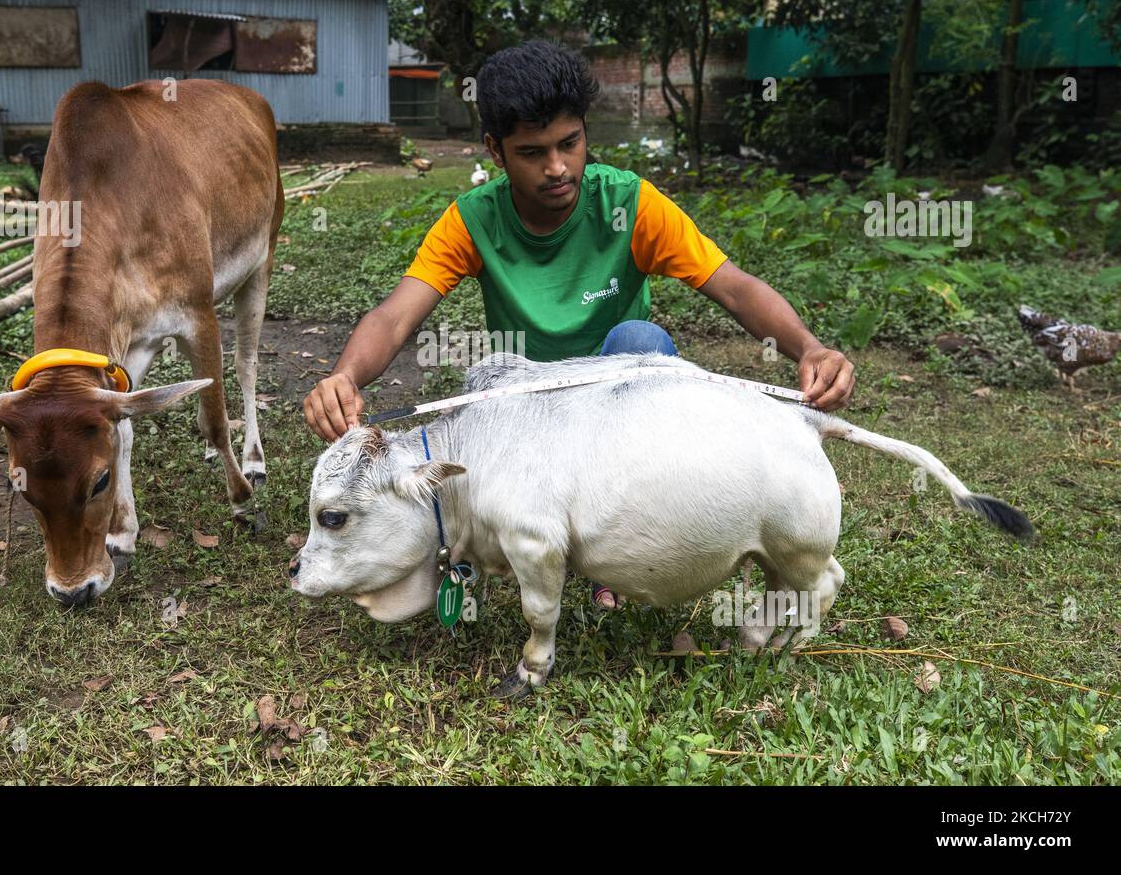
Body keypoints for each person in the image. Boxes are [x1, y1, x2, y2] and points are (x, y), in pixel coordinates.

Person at [303, 40, 856, 610]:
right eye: (532, 152)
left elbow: (734, 286)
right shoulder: (473, 220)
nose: (558, 167)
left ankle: (617, 551)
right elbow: (395, 317)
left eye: (570, 143)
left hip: (620, 405)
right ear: (495, 150)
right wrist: (344, 377)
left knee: (642, 341)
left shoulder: (630, 203)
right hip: (528, 414)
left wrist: (809, 348)